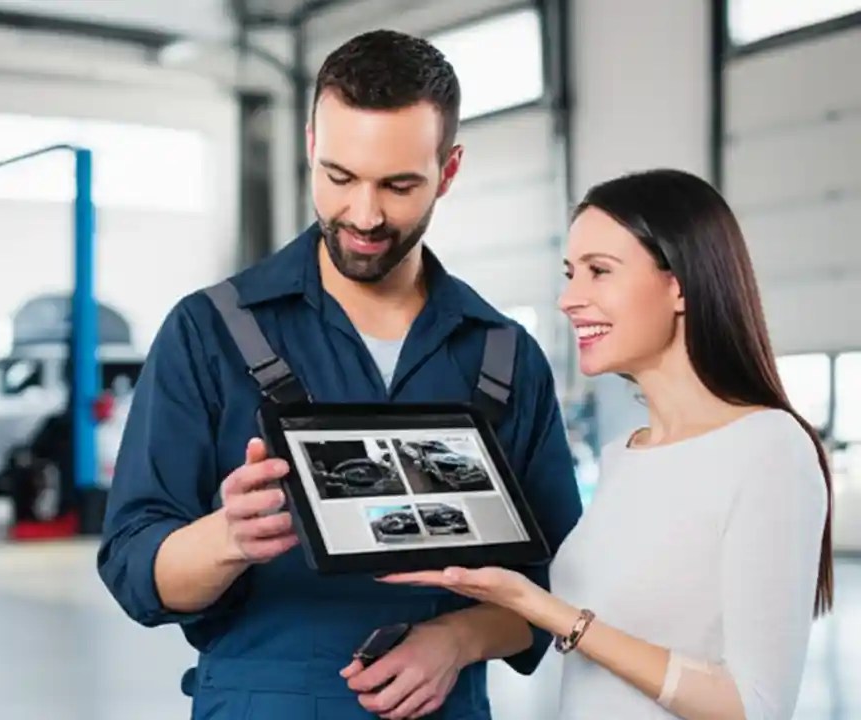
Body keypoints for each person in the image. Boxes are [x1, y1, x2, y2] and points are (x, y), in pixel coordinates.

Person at [96, 29, 584, 720]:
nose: (364, 214)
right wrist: (228, 538)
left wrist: (456, 640)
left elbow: (554, 585)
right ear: (310, 147)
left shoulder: (502, 357)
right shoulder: (208, 334)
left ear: (448, 171)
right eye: (340, 176)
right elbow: (132, 567)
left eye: (399, 184)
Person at [382, 168, 834, 719]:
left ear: (680, 285)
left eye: (599, 272)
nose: (569, 299)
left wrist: (551, 612)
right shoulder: (627, 453)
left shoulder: (770, 449)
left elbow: (755, 707)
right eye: (571, 273)